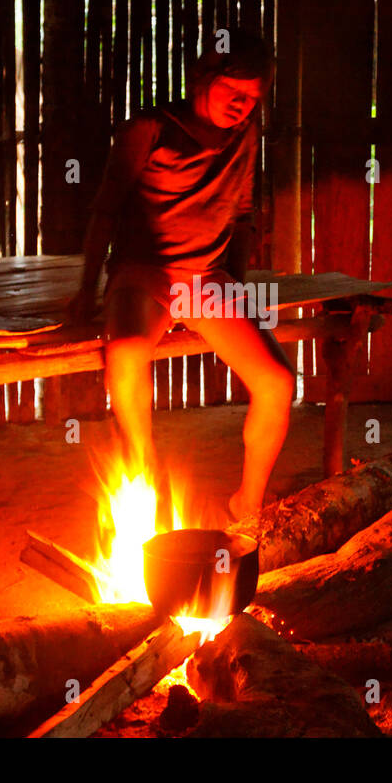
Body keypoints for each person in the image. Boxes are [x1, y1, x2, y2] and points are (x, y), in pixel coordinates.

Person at [68, 29, 295, 524]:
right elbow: (105, 211)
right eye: (233, 91)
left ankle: (248, 507)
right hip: (144, 275)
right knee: (126, 350)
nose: (242, 105)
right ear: (203, 77)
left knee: (277, 382)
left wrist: (233, 286)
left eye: (253, 99)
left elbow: (240, 212)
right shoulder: (148, 129)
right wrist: (87, 290)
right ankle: (143, 473)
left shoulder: (245, 135)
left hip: (207, 279)